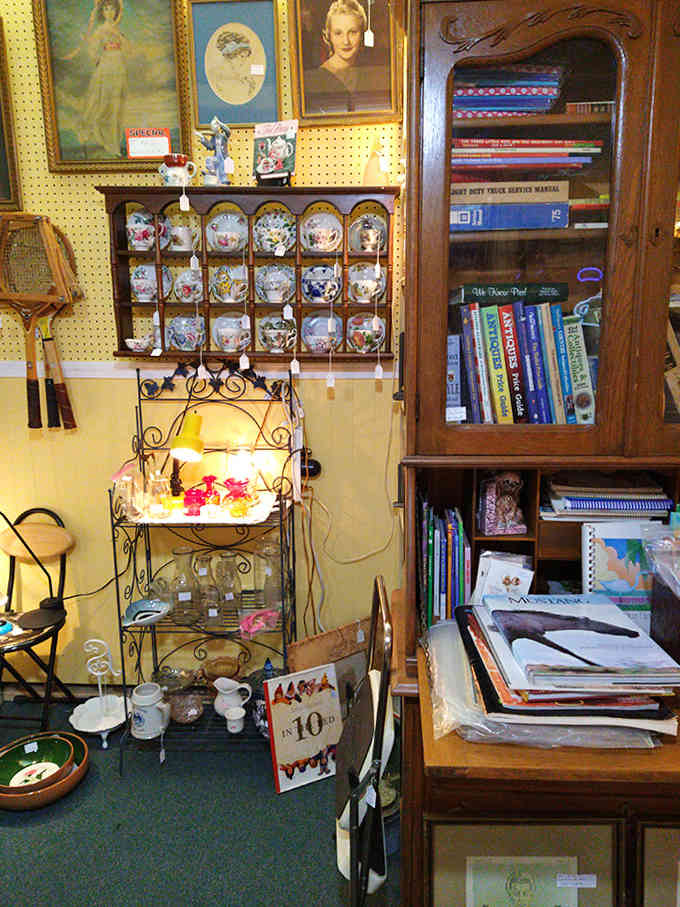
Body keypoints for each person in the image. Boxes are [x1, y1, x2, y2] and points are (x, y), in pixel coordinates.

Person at [304, 0, 390, 114]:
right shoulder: (316, 80)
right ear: (328, 36)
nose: (346, 41)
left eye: (353, 32)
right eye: (338, 33)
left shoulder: (371, 74)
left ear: (362, 34)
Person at [79, 0, 129, 157]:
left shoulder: (117, 29)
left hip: (119, 66)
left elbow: (127, 49)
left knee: (117, 105)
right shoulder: (101, 30)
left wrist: (121, 42)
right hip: (107, 66)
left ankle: (115, 143)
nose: (109, 12)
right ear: (102, 12)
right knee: (106, 104)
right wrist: (99, 60)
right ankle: (108, 142)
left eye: (112, 9)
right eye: (106, 9)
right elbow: (92, 48)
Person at [195, 116, 231, 185]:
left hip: (223, 157)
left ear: (219, 127)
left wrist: (220, 123)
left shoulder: (224, 136)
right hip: (217, 156)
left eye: (215, 125)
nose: (213, 128)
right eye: (212, 127)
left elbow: (228, 131)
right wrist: (202, 138)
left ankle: (224, 180)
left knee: (222, 169)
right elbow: (210, 146)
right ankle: (212, 172)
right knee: (209, 159)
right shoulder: (213, 138)